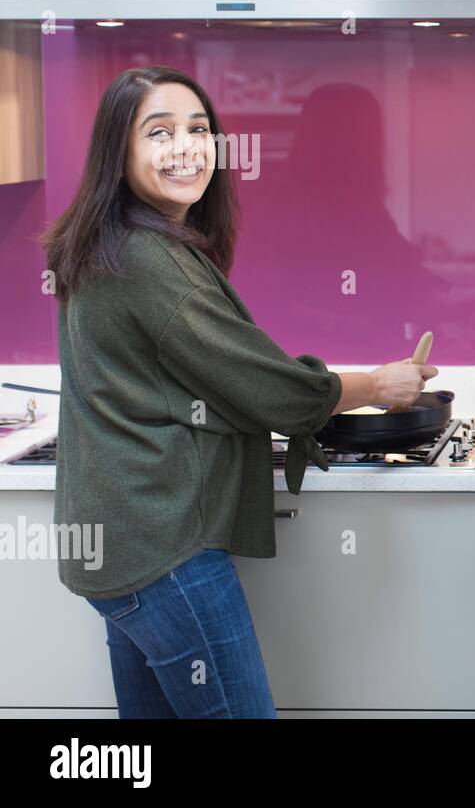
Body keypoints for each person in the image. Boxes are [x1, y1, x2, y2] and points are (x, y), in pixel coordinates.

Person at [43, 66, 436, 718]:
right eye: (159, 132)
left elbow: (213, 372)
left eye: (198, 129)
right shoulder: (147, 260)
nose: (186, 147)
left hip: (120, 546)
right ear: (120, 151)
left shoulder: (117, 243)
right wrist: (377, 384)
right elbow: (264, 389)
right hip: (161, 550)